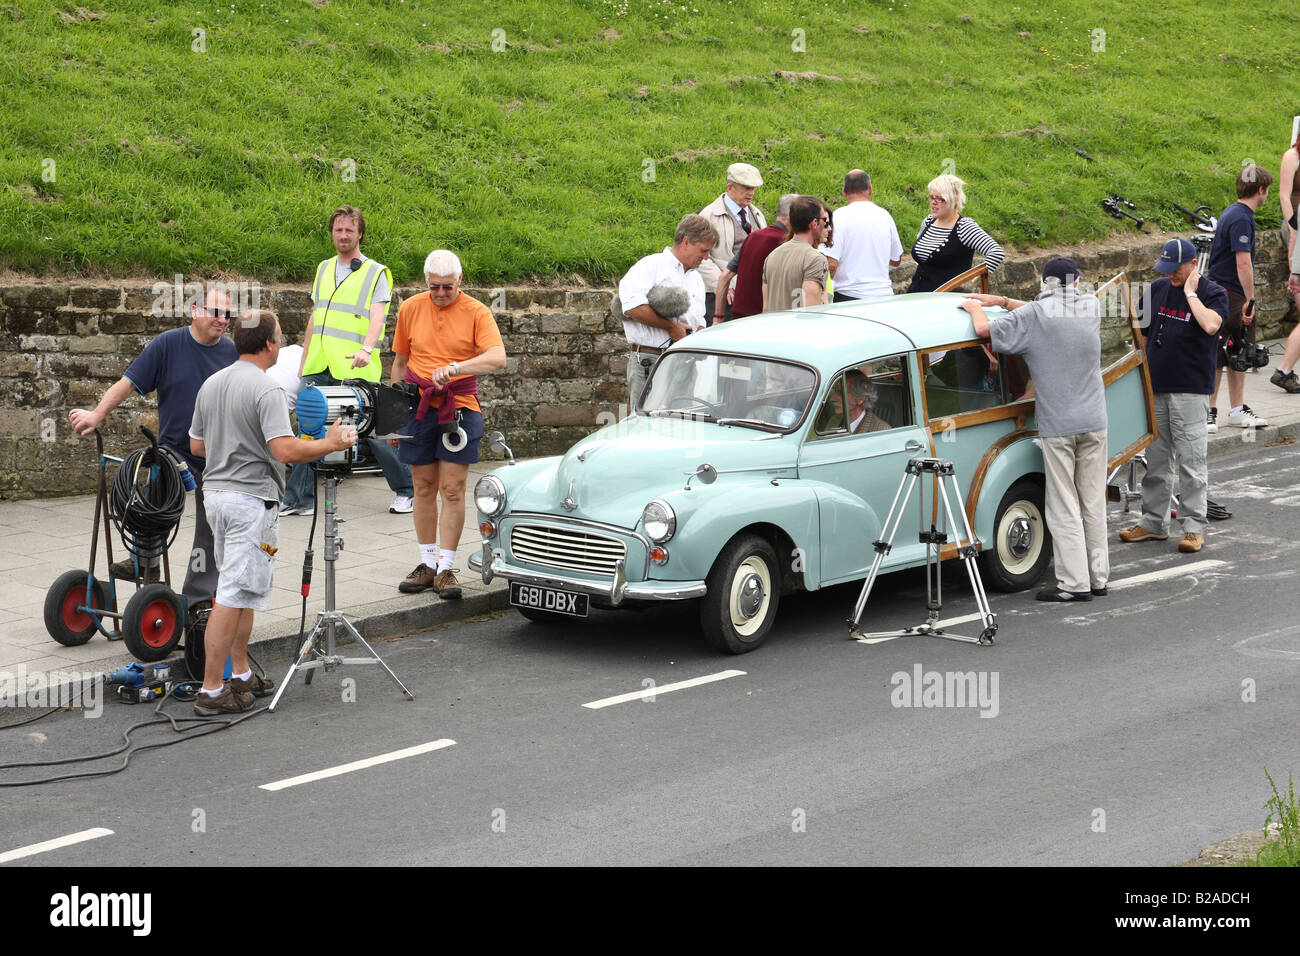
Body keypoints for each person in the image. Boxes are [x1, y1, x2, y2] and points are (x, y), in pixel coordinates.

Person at [188, 310, 357, 716]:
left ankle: (242, 674)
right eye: (279, 337)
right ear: (268, 344)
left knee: (240, 589)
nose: (281, 343)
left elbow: (196, 446)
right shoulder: (266, 390)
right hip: (249, 502)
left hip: (217, 497)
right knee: (230, 594)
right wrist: (330, 443)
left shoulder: (212, 383)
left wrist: (234, 449)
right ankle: (211, 690)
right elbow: (284, 449)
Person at [69, 284, 237, 599]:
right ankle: (144, 563)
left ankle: (197, 599)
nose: (223, 320)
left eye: (227, 314)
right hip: (173, 452)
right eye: (216, 312)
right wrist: (97, 415)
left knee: (210, 529)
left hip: (216, 457)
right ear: (196, 311)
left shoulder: (231, 352)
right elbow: (128, 382)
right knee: (146, 501)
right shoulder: (167, 345)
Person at [960, 257, 1108, 601]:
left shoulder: (1034, 317)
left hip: (1059, 425)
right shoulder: (1091, 306)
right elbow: (1052, 307)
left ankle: (1074, 585)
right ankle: (1098, 578)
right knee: (1092, 502)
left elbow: (985, 332)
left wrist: (973, 307)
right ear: (1075, 283)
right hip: (1095, 421)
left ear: (1045, 284)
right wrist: (1003, 301)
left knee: (1063, 504)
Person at [282, 205, 415, 516]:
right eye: (338, 229)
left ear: (360, 234)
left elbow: (378, 317)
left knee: (372, 431)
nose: (343, 235)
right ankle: (299, 499)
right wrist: (304, 356)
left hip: (355, 366)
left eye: (349, 230)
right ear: (332, 233)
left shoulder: (376, 273)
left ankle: (407, 490)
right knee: (309, 429)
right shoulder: (323, 268)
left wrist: (367, 349)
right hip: (319, 364)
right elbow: (316, 316)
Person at [391, 250, 507, 599]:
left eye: (447, 287)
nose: (440, 294)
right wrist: (396, 417)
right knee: (422, 486)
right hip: (418, 404)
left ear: (461, 281)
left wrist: (456, 367)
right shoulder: (411, 307)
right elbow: (399, 363)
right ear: (425, 282)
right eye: (433, 287)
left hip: (460, 405)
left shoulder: (476, 311)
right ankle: (427, 565)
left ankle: (446, 567)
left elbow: (497, 358)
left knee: (452, 489)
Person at [1118, 239, 1228, 555]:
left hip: (1190, 391)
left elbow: (1210, 325)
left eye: (1175, 269)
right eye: (1165, 269)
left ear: (1193, 265)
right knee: (1156, 461)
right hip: (1157, 388)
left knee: (1192, 462)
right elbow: (1140, 330)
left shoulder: (1212, 294)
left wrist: (1191, 293)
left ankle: (1194, 527)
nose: (1170, 276)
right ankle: (1154, 523)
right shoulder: (1158, 289)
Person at [618, 215, 717, 405]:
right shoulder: (651, 266)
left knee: (679, 427)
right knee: (645, 427)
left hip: (685, 363)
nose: (706, 257)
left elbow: (700, 319)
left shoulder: (695, 278)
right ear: (686, 242)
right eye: (703, 251)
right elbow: (632, 307)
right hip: (651, 360)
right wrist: (671, 328)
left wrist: (700, 334)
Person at [1207, 165, 1273, 430]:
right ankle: (1225, 410)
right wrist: (1250, 299)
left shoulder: (1231, 212)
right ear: (1261, 190)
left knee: (1228, 352)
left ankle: (1220, 411)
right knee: (1234, 352)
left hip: (1220, 291)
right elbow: (1243, 263)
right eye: (1266, 191)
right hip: (1232, 293)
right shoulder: (1242, 218)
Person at [906, 174, 1005, 292]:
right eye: (932, 197)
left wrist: (971, 280)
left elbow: (996, 252)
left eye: (940, 199)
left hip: (948, 303)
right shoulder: (928, 222)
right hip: (917, 296)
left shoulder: (964, 227)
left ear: (954, 200)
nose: (933, 202)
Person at [697, 163, 767, 321]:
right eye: (746, 188)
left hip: (754, 296)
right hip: (724, 298)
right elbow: (700, 257)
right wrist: (721, 285)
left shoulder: (757, 214)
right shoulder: (709, 216)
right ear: (730, 188)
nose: (751, 193)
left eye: (753, 188)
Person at [821, 170, 904, 301]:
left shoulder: (838, 217)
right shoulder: (885, 216)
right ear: (870, 190)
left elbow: (831, 264)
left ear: (844, 192)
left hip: (848, 297)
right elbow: (896, 259)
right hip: (884, 296)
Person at [713, 193, 796, 322]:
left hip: (739, 319)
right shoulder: (787, 244)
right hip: (767, 322)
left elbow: (725, 276)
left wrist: (718, 318)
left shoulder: (753, 237)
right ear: (794, 216)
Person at [762, 195, 829, 312]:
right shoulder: (815, 259)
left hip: (773, 328)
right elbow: (811, 312)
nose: (827, 225)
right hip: (799, 329)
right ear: (814, 223)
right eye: (824, 220)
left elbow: (766, 309)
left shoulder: (772, 256)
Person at [1270, 131, 1300, 392]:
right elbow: (1284, 194)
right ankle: (1284, 369)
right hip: (1295, 227)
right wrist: (1293, 228)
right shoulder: (1292, 156)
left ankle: (1285, 370)